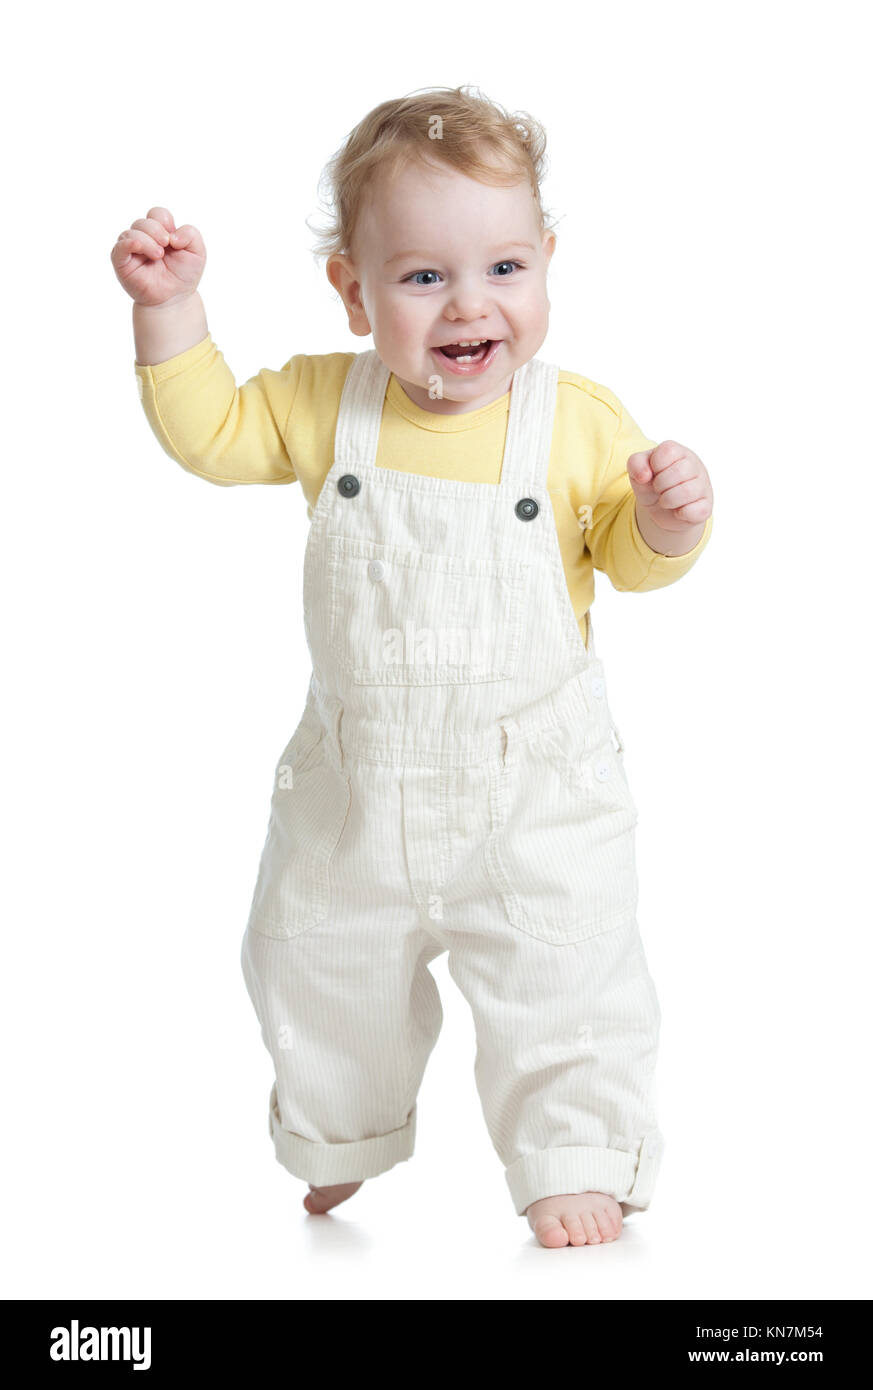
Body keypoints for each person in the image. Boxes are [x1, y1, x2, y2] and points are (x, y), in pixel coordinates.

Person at [111, 85, 714, 1249]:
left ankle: (572, 1151)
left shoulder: (578, 421)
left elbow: (628, 566)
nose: (467, 306)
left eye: (502, 269)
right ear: (352, 291)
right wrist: (172, 314)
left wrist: (670, 524)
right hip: (358, 785)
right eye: (423, 277)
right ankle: (340, 1131)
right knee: (313, 957)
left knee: (570, 973)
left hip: (535, 791)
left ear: (545, 264)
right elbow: (210, 434)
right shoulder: (322, 403)